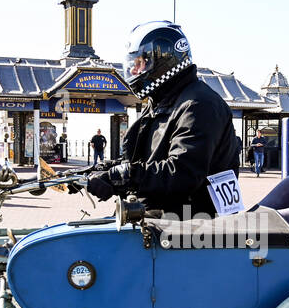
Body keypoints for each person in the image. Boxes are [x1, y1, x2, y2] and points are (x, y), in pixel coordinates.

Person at [87, 21, 240, 218]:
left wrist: (124, 176)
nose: (134, 72)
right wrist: (101, 170)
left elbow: (182, 173)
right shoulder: (163, 102)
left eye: (140, 64)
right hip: (165, 216)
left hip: (192, 225)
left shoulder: (199, 105)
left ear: (164, 61)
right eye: (132, 65)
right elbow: (147, 162)